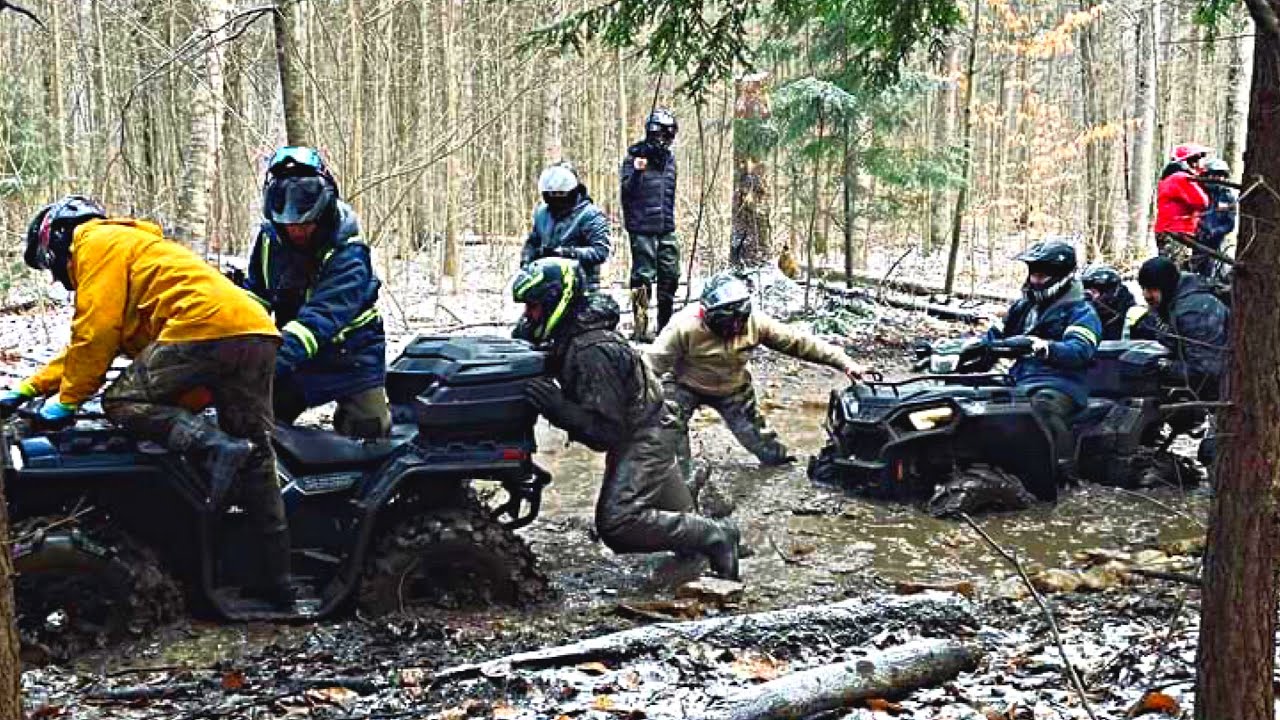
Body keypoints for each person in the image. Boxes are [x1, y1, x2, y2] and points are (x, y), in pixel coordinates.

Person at [0, 196, 294, 608]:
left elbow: (95, 335)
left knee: (122, 402)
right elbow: (88, 352)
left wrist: (66, 404)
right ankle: (279, 582)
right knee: (256, 456)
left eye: (53, 265)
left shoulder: (94, 244)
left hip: (202, 327)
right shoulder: (133, 249)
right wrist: (29, 389)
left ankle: (216, 448)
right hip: (254, 332)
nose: (60, 277)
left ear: (57, 240)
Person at [513, 258, 741, 579]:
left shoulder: (590, 349)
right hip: (650, 420)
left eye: (534, 307)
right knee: (685, 540)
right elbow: (524, 339)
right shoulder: (570, 327)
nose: (528, 315)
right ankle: (701, 512)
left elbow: (608, 433)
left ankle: (720, 537)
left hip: (645, 433)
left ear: (556, 303)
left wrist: (559, 408)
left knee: (618, 524)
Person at [647, 272, 867, 481]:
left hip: (733, 389)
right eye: (727, 324)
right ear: (707, 316)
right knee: (670, 432)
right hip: (685, 384)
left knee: (762, 443)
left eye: (738, 322)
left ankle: (784, 466)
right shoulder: (684, 326)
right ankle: (682, 482)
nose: (734, 328)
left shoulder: (755, 322)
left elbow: (799, 342)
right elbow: (650, 365)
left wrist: (845, 362)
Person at [243, 147, 390, 439]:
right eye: (288, 225)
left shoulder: (349, 252)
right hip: (293, 350)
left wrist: (266, 362)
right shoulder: (270, 239)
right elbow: (256, 295)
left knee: (370, 435)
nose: (296, 231)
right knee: (253, 418)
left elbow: (320, 320)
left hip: (352, 354)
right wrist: (233, 336)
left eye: (305, 224)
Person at [984, 240, 1102, 498]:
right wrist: (969, 347)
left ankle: (1062, 480)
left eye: (1042, 274)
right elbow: (1000, 337)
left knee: (1040, 410)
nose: (1035, 280)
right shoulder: (1024, 307)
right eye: (1032, 273)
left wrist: (1043, 347)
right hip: (1019, 379)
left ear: (1060, 276)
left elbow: (1080, 350)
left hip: (1062, 384)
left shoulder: (1082, 311)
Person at [620, 108, 679, 342]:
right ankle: (640, 327)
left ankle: (664, 327)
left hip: (666, 227)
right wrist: (637, 171)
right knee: (643, 278)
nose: (665, 139)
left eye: (669, 134)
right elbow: (626, 191)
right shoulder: (633, 158)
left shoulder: (670, 161)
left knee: (671, 276)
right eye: (661, 134)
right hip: (642, 228)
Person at [1135, 256, 1229, 400]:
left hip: (1220, 390)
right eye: (1144, 288)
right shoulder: (1169, 300)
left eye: (1152, 289)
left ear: (1165, 287)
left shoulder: (1195, 312)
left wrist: (1164, 366)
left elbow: (1207, 371)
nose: (1146, 295)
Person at [520, 162, 611, 292]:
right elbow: (532, 242)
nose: (556, 198)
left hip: (581, 286)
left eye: (560, 193)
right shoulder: (542, 213)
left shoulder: (590, 215)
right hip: (546, 284)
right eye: (552, 193)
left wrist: (565, 253)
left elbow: (600, 251)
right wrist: (527, 260)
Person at [1153, 143, 1211, 268]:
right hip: (1177, 232)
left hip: (1169, 231)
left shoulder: (1171, 178)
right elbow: (1202, 201)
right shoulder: (1181, 178)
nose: (1203, 163)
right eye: (1200, 158)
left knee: (1170, 269)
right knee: (1176, 271)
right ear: (1191, 161)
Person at [1191, 158, 1237, 279]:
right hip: (1194, 239)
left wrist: (1215, 231)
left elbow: (1230, 224)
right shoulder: (1198, 191)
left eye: (1221, 175)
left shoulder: (1228, 197)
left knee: (1209, 272)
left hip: (1215, 243)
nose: (1218, 178)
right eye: (1215, 174)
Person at [1081, 265, 1139, 341]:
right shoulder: (1082, 317)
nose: (1089, 297)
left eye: (1094, 292)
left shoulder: (1134, 318)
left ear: (1112, 293)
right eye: (1086, 292)